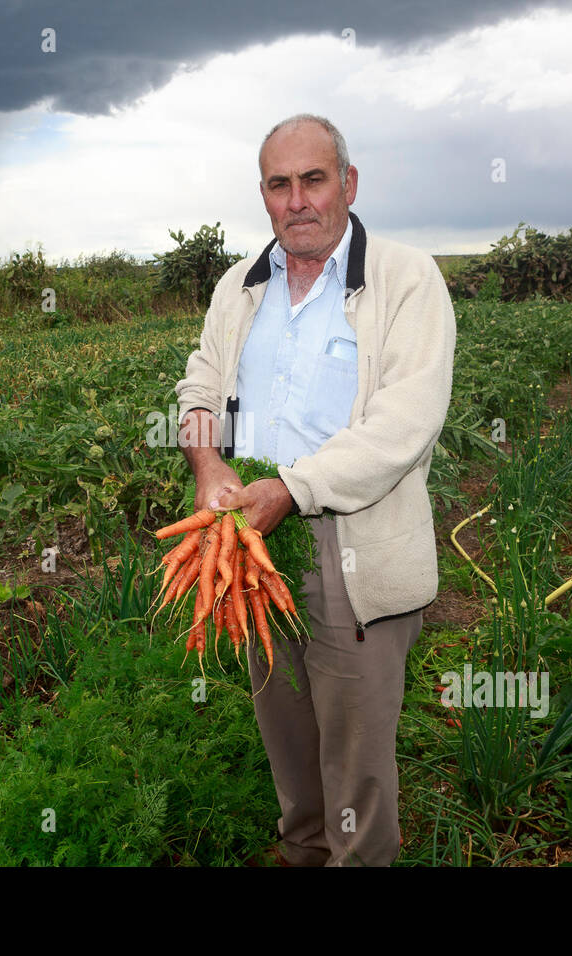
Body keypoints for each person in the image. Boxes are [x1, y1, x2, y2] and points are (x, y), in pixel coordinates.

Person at [173, 113, 456, 866]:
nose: (297, 200)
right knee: (289, 746)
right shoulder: (240, 286)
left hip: (351, 551)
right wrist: (209, 467)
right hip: (254, 549)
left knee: (356, 772)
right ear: (263, 196)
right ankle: (302, 852)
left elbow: (404, 425)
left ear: (348, 184)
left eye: (314, 179)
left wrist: (291, 490)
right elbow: (198, 388)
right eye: (279, 184)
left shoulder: (406, 281)